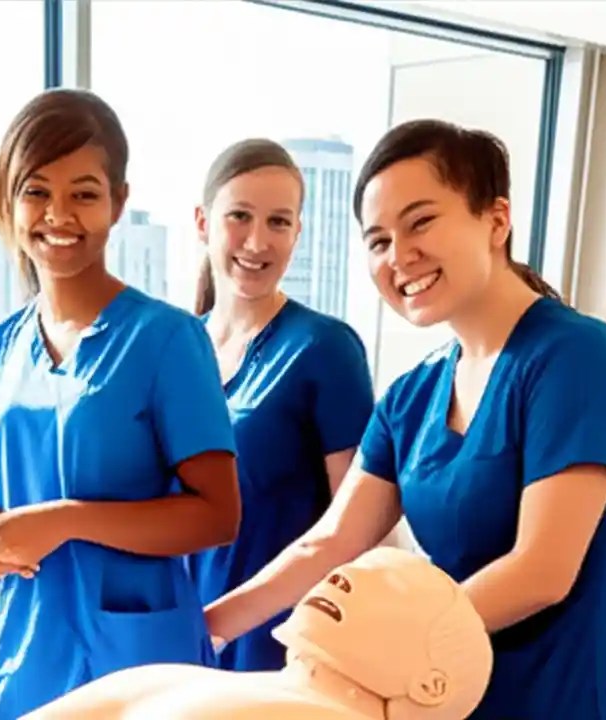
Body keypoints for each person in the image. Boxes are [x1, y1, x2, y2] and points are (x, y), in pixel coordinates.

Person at [204, 119, 606, 719]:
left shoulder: (577, 358)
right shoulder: (411, 396)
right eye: (379, 240)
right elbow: (332, 541)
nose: (400, 255)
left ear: (496, 220)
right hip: (442, 702)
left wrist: (375, 649)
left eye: (420, 222)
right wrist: (209, 627)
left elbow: (542, 569)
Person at [0, 88, 242, 720]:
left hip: (137, 663)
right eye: (35, 191)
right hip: (19, 651)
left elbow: (217, 515)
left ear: (118, 203)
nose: (59, 214)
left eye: (83, 192)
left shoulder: (165, 340)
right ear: (7, 201)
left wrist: (65, 519)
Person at [188, 139, 374, 672]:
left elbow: (358, 531)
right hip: (184, 637)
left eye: (278, 221)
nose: (257, 240)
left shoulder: (324, 350)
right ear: (203, 222)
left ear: (298, 232)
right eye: (239, 216)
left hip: (284, 651)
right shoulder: (176, 351)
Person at [25, 546, 493, 720]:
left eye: (392, 587)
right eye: (353, 567)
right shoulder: (173, 678)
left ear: (432, 685)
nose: (343, 577)